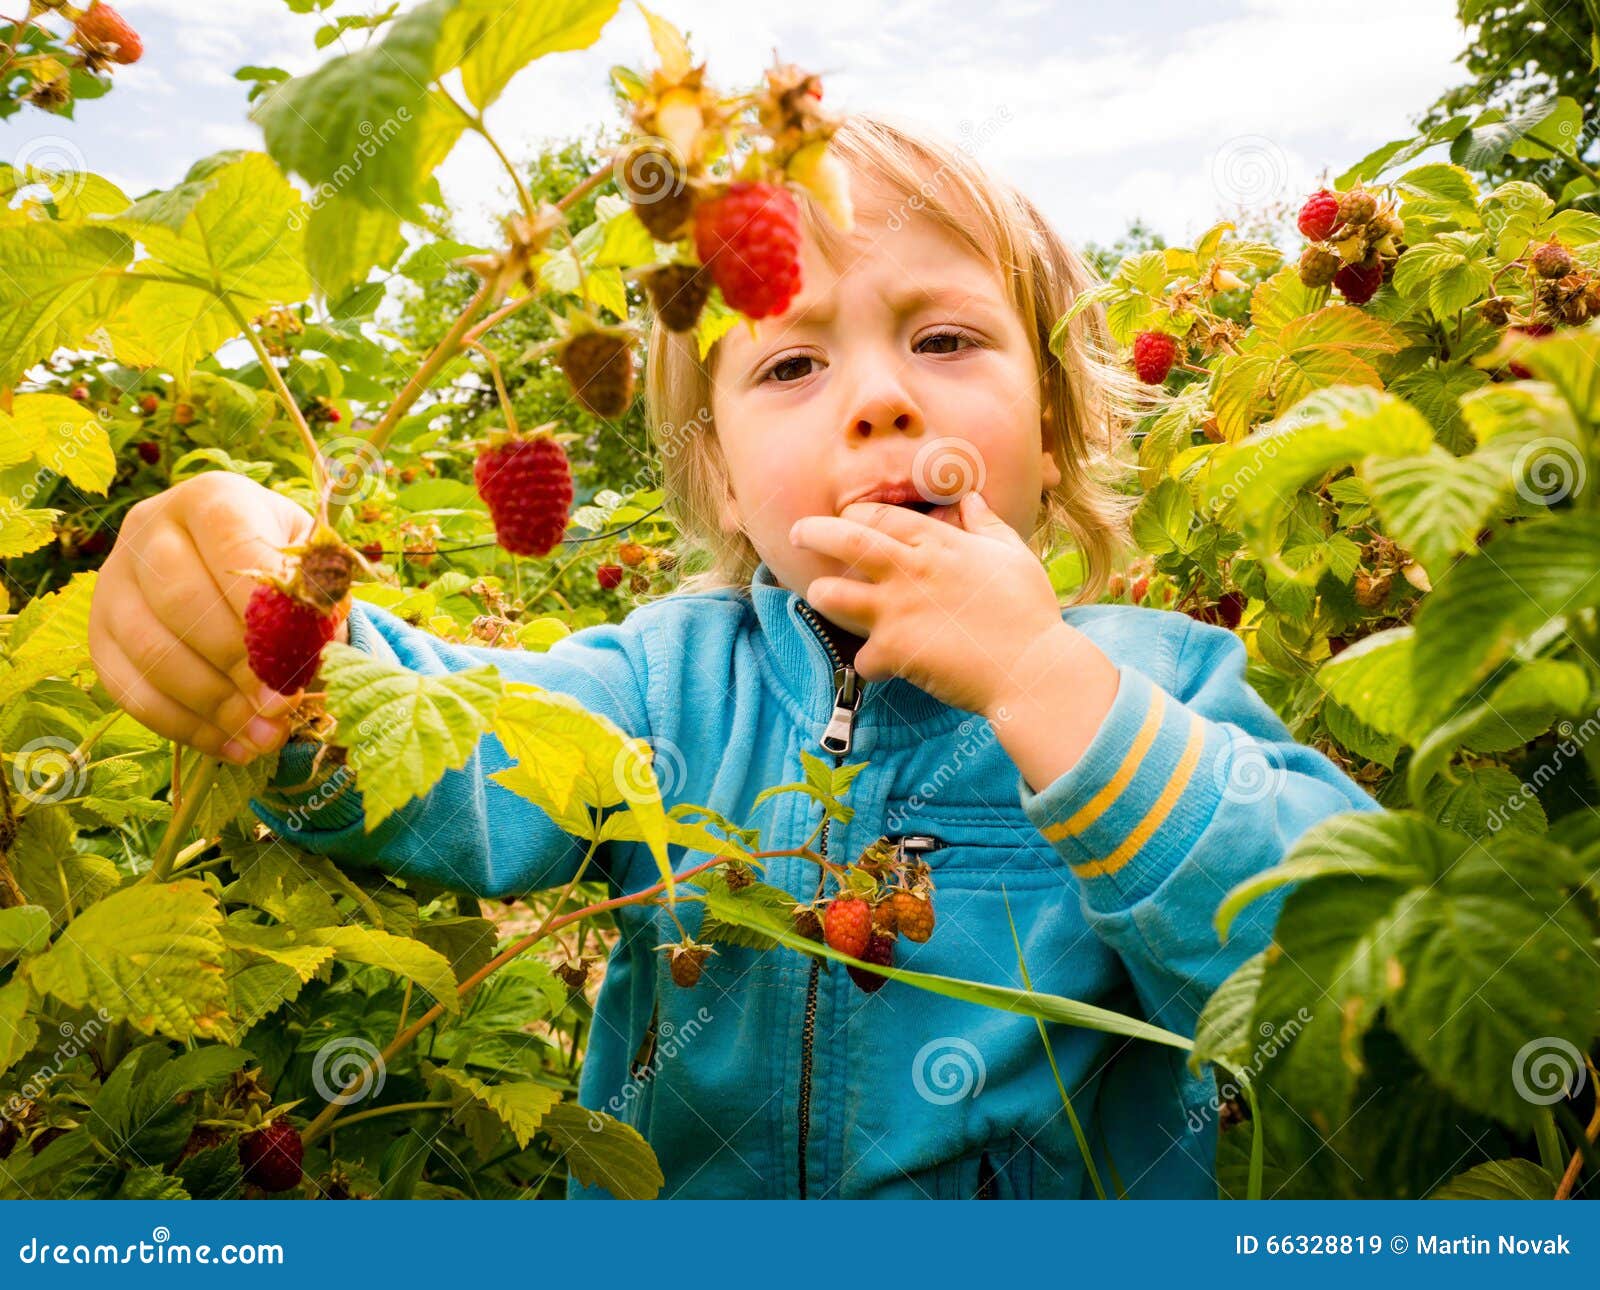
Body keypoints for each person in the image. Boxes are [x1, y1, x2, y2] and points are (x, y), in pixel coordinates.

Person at [87, 112, 1381, 1199]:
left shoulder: (1161, 686)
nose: (882, 398)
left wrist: (1049, 687)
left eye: (945, 339)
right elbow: (461, 760)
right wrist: (288, 635)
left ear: (1051, 431)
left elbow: (1333, 963)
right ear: (720, 472)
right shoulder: (662, 683)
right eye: (794, 362)